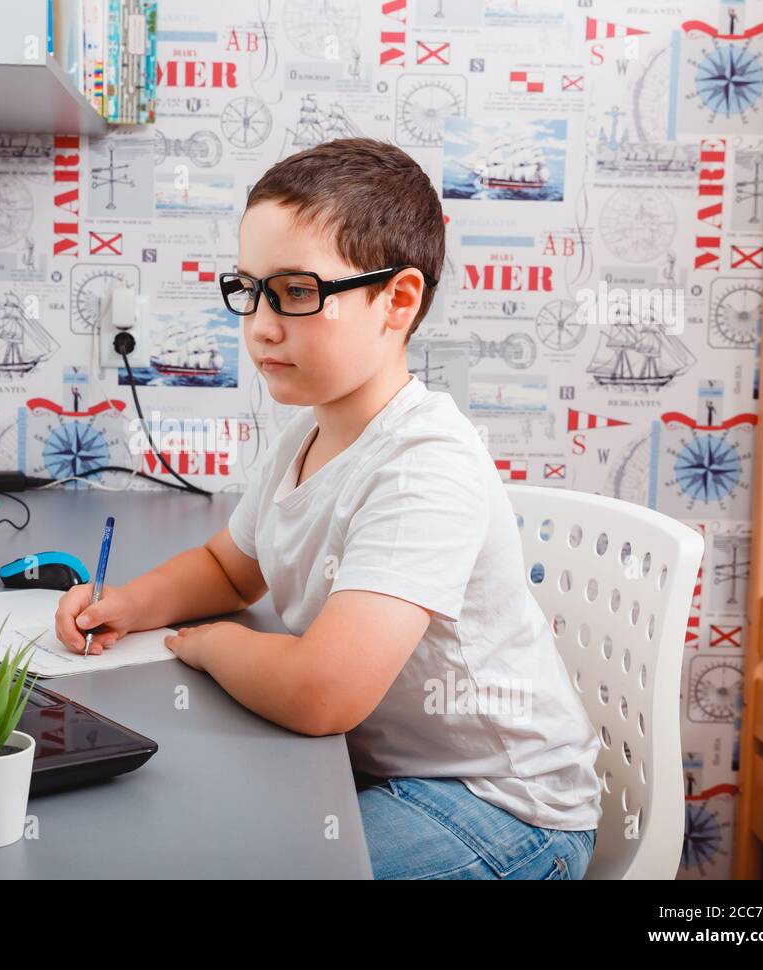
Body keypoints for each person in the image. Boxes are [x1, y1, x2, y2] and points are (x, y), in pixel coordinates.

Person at [53, 137, 601, 880]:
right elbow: (228, 566)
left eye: (297, 293)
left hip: (497, 808)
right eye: (249, 289)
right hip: (379, 767)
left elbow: (322, 692)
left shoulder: (424, 465)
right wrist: (131, 603)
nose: (261, 325)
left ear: (397, 301)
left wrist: (207, 642)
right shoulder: (308, 437)